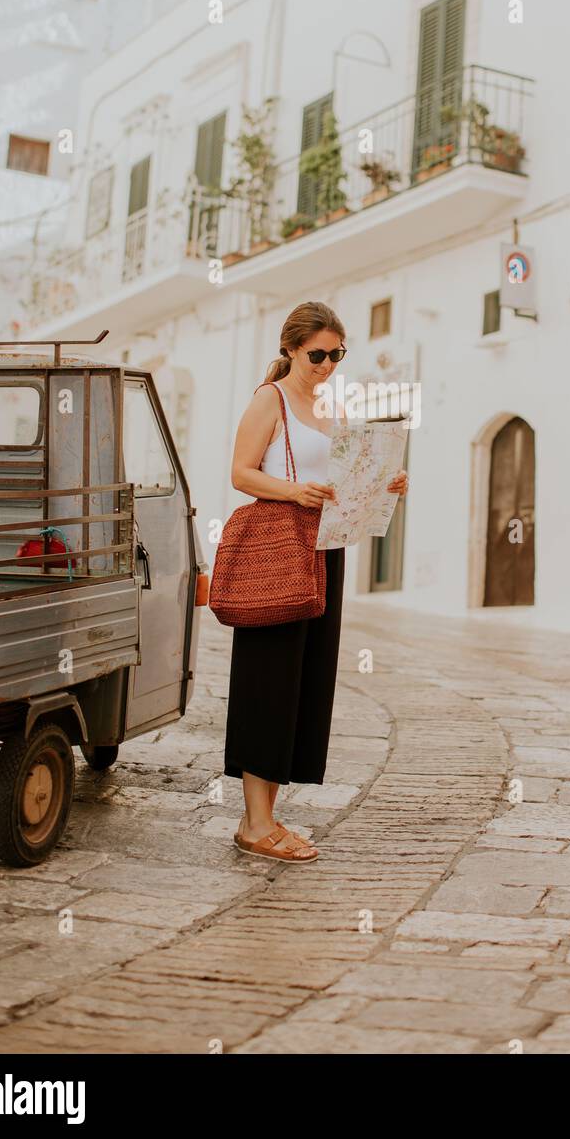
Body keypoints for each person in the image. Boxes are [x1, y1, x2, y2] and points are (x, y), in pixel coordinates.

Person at [224, 301, 408, 862]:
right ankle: (255, 825)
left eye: (336, 355)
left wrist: (384, 484)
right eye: (317, 355)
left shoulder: (326, 404)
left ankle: (265, 817)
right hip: (280, 549)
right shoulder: (270, 398)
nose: (327, 365)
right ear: (290, 349)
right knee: (269, 682)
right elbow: (240, 472)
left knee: (303, 688)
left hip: (323, 550)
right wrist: (291, 492)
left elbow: (338, 478)